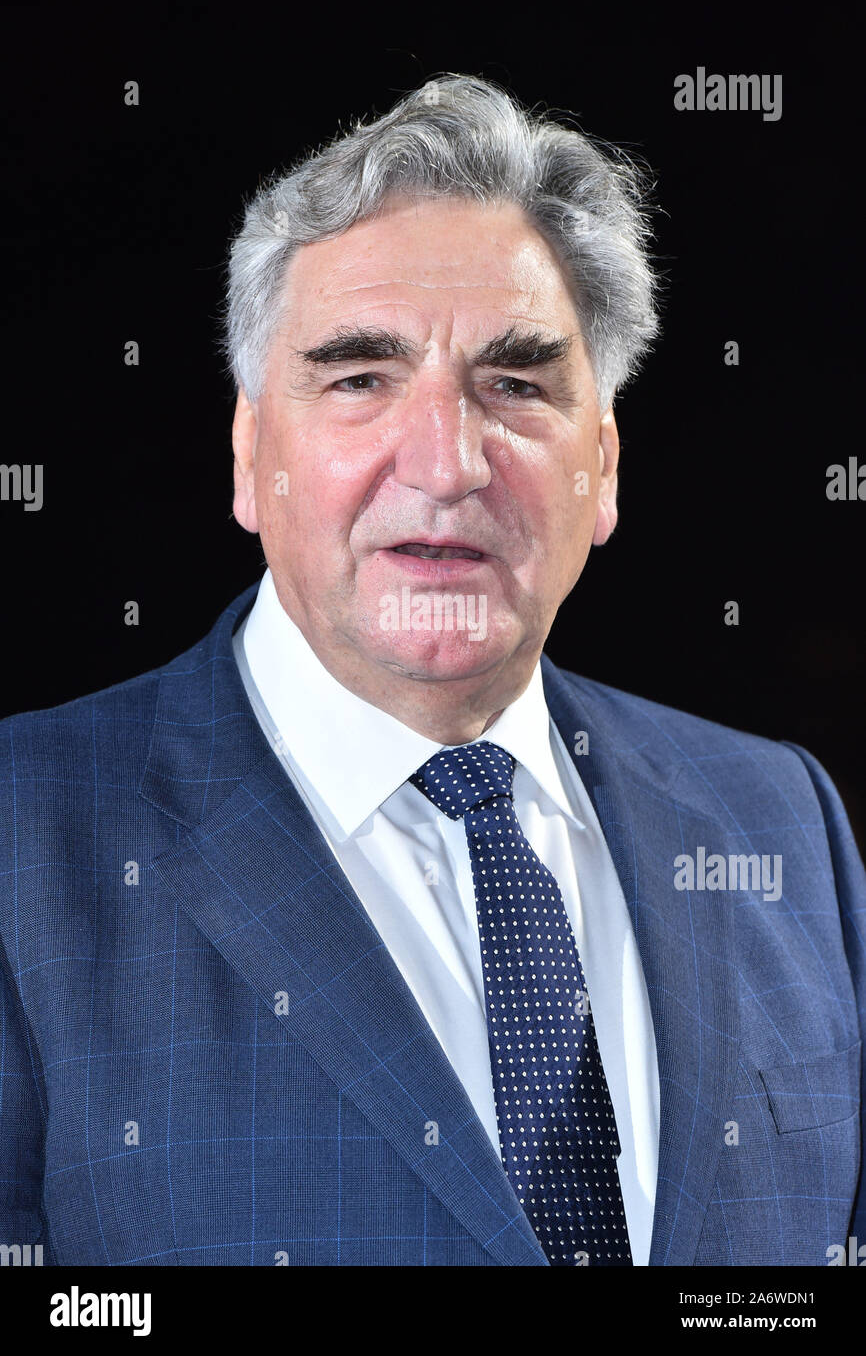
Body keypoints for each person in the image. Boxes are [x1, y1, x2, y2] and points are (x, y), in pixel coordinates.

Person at [1, 75, 862, 1268]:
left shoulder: (782, 823)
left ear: (601, 464)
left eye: (514, 383)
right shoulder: (23, 841)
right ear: (252, 452)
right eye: (360, 377)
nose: (447, 462)